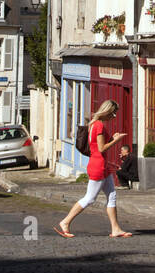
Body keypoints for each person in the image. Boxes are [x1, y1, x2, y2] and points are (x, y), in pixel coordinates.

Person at [55, 100, 132, 238]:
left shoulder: (94, 124)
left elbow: (97, 146)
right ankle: (65, 222)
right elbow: (101, 149)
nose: (113, 116)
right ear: (106, 111)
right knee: (90, 198)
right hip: (98, 165)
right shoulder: (99, 126)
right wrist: (116, 140)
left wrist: (112, 139)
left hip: (101, 164)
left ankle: (116, 229)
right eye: (113, 113)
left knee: (112, 196)